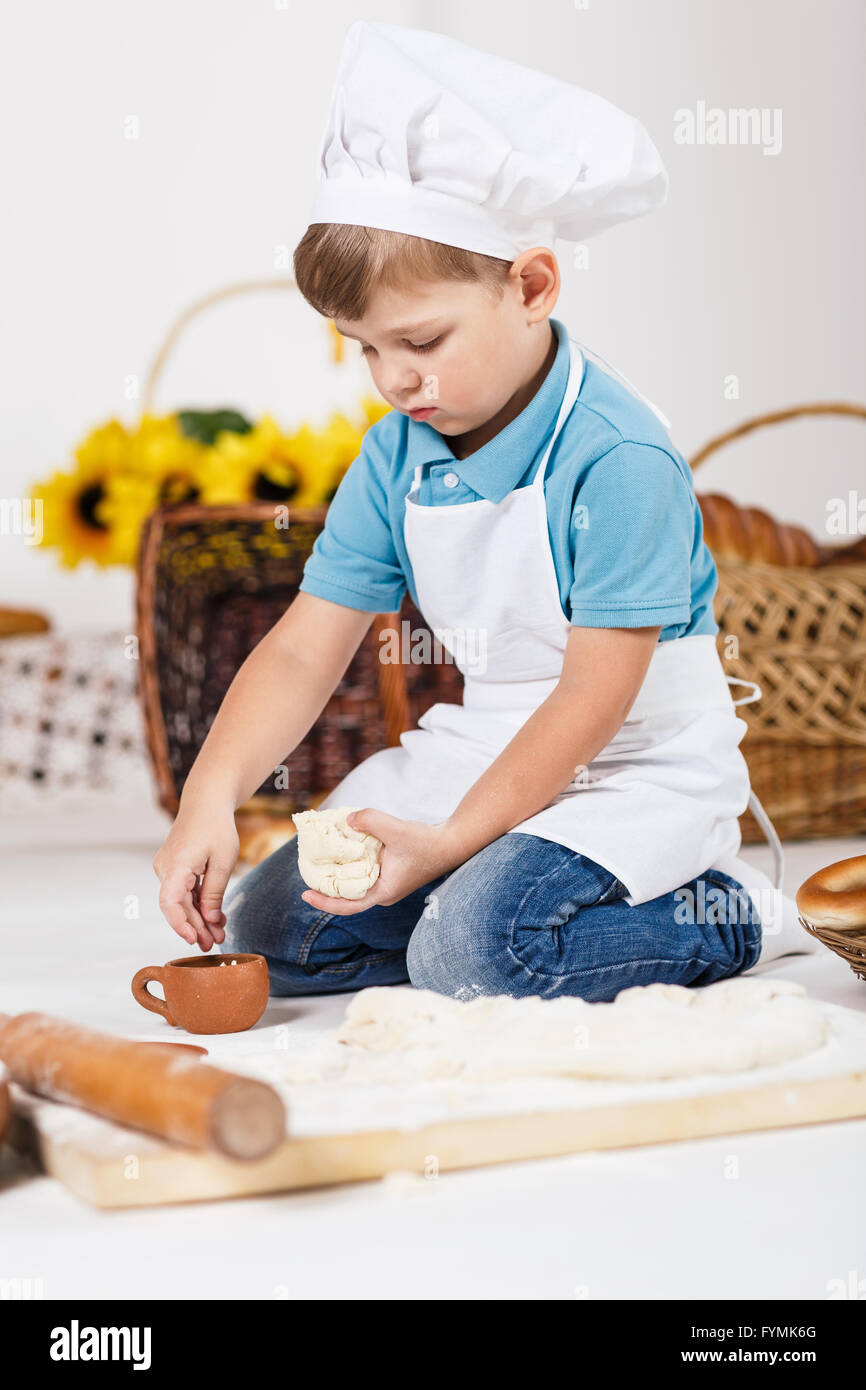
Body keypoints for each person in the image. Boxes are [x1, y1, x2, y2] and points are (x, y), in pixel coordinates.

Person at [153, 20, 775, 1002]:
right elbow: (303, 648)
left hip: (627, 765)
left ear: (529, 285)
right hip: (486, 745)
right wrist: (207, 798)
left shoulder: (616, 456)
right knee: (273, 921)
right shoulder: (395, 456)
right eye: (364, 348)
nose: (393, 379)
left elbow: (591, 698)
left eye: (421, 339)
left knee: (478, 954)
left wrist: (447, 844)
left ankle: (717, 915)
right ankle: (473, 913)